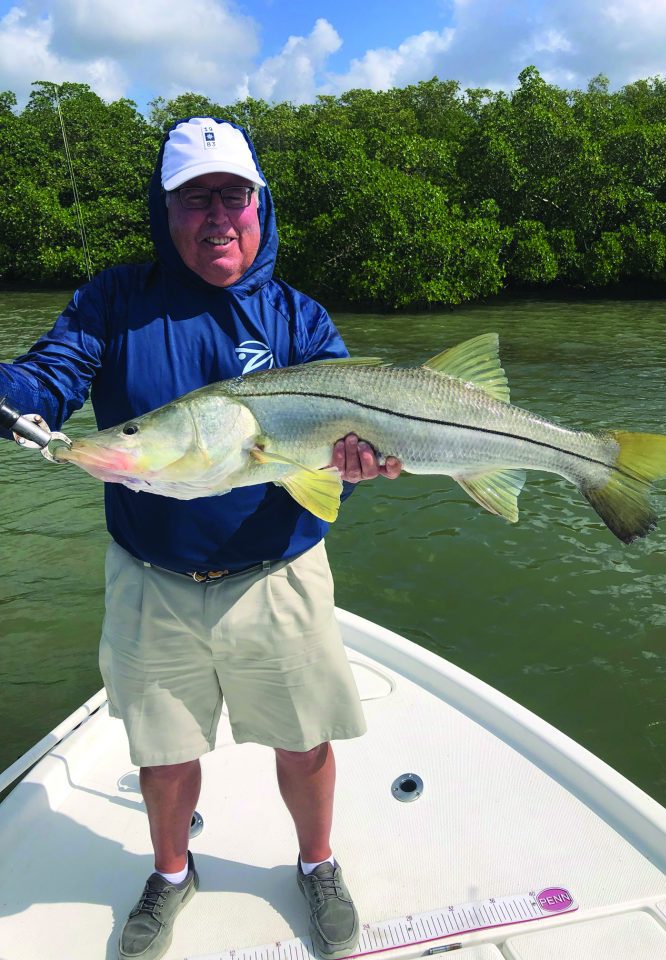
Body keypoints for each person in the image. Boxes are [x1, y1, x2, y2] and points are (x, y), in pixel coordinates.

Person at [0, 116, 402, 960]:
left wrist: (362, 462)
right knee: (164, 749)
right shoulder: (116, 300)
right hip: (151, 576)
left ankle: (317, 861)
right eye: (194, 198)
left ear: (259, 205)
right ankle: (173, 872)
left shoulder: (298, 317)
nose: (217, 216)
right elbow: (53, 373)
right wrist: (15, 391)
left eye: (233, 195)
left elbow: (347, 432)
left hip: (278, 574)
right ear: (165, 209)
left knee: (304, 737)